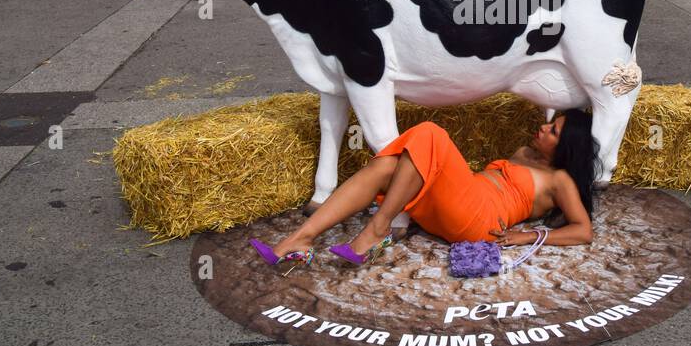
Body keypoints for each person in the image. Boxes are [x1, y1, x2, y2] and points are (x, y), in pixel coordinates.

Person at [250, 111, 598, 270]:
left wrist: (527, 237)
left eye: (553, 131)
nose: (543, 127)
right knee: (387, 167)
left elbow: (583, 232)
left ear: (567, 147)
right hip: (452, 207)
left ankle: (378, 228)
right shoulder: (524, 155)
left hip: (478, 219)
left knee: (431, 132)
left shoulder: (560, 181)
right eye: (550, 123)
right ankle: (302, 239)